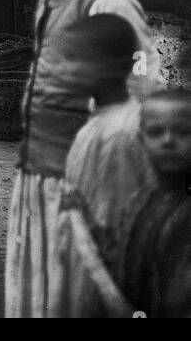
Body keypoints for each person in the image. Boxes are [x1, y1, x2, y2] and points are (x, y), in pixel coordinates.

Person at [5, 0, 159, 319]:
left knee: (74, 301)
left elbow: (140, 91)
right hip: (37, 174)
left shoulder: (109, 1)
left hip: (80, 186)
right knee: (36, 296)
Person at [54, 76, 191, 318]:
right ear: (141, 140)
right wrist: (83, 217)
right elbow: (119, 253)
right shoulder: (142, 200)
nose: (168, 141)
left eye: (184, 133)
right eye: (156, 132)